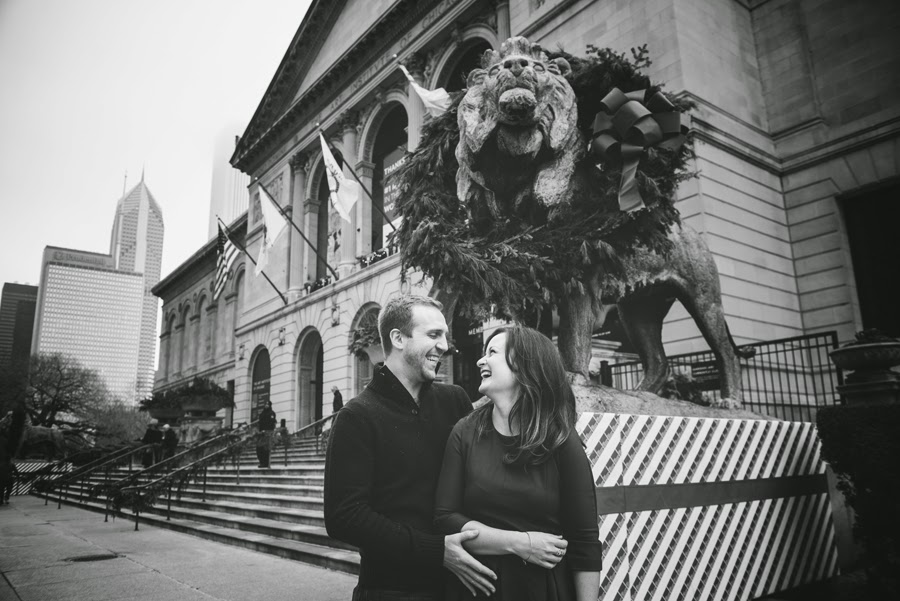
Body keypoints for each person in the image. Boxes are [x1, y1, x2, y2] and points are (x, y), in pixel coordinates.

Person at [325, 295, 499, 600]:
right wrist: (436, 551)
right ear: (398, 338)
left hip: (462, 587)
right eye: (433, 335)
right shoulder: (356, 416)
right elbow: (344, 517)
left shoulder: (455, 399)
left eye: (445, 335)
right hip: (391, 590)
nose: (445, 346)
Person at [435, 326, 602, 601]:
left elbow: (584, 543)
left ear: (526, 366)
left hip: (542, 590)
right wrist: (518, 544)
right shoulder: (465, 432)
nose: (480, 361)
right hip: (476, 589)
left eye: (492, 353)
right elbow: (444, 518)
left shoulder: (561, 439)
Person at [257, 400, 277, 468]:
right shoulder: (262, 414)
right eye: (265, 404)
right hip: (261, 434)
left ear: (270, 405)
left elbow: (272, 423)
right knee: (259, 448)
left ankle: (265, 463)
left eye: (268, 404)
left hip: (268, 433)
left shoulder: (272, 413)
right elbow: (260, 422)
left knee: (266, 449)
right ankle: (261, 462)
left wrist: (268, 431)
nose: (266, 405)